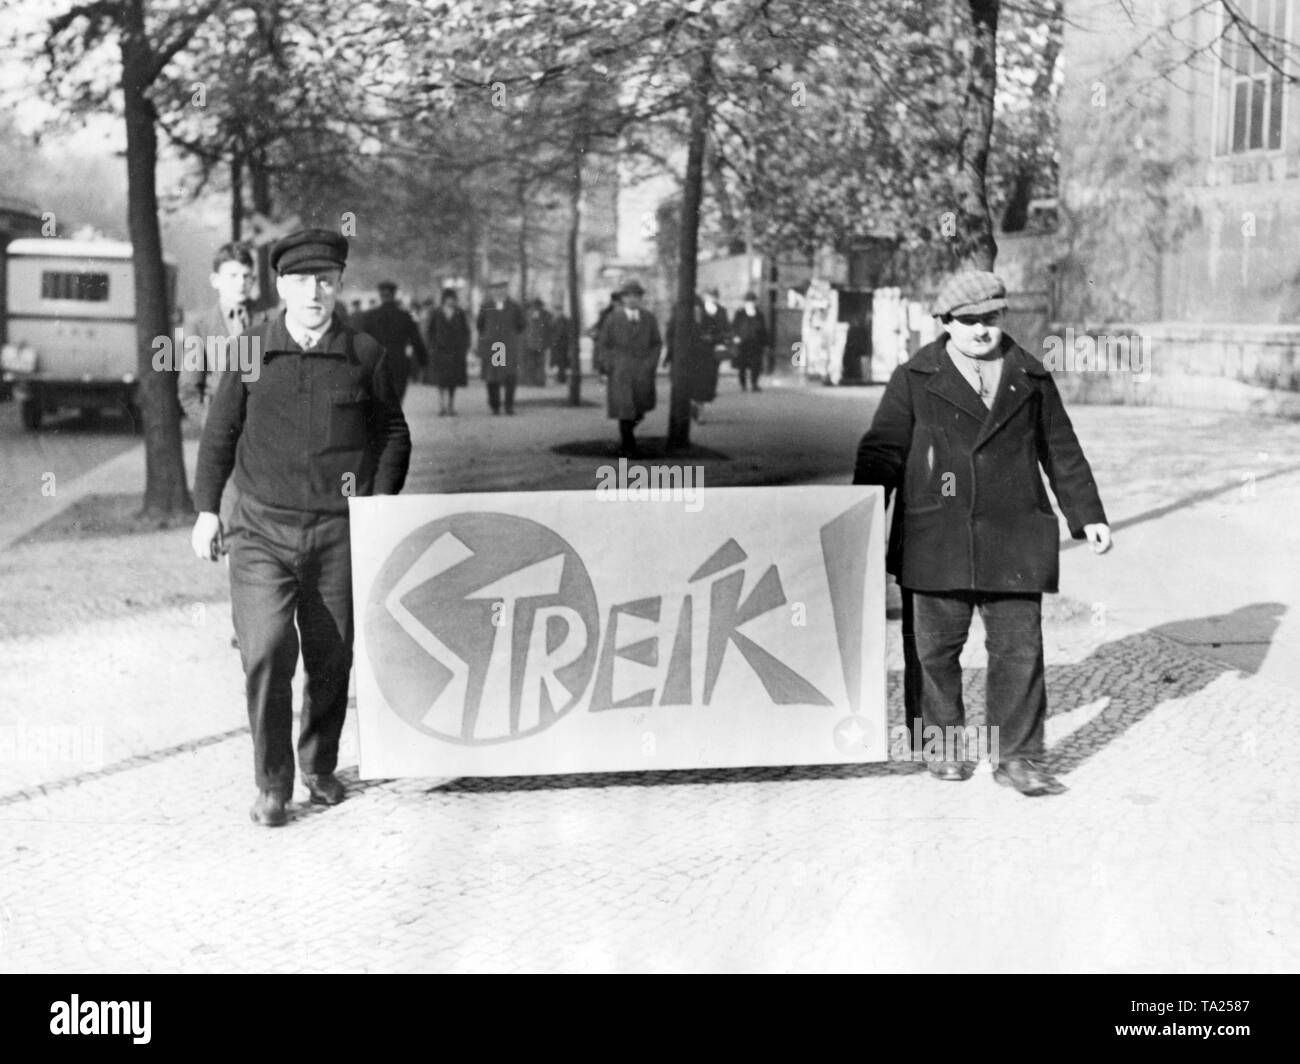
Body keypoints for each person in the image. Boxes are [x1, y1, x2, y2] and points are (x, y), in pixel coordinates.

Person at [852, 269, 1111, 797]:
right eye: (967, 320)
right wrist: (860, 517)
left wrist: (1088, 515)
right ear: (945, 323)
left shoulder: (1031, 376)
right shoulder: (914, 377)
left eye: (990, 318)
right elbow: (882, 451)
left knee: (1019, 652)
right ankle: (943, 746)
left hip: (1014, 536)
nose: (980, 330)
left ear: (1002, 316)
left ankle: (1018, 757)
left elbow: (1060, 448)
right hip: (934, 535)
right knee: (933, 653)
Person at [190, 228, 411, 827]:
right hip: (260, 529)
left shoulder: (365, 354)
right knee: (265, 650)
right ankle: (272, 783)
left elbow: (393, 434)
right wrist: (207, 509)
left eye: (325, 281)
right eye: (301, 281)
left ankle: (318, 764)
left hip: (338, 533)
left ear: (338, 286)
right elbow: (220, 432)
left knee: (331, 656)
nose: (314, 292)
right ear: (281, 287)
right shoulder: (251, 350)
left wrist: (378, 506)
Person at [178, 242, 266, 429]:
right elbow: (189, 390)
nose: (241, 283)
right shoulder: (200, 327)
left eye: (246, 276)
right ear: (215, 280)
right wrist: (210, 426)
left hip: (260, 430)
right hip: (219, 430)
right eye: (233, 276)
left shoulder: (268, 322)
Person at [596, 279, 662, 457]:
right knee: (624, 409)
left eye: (636, 296)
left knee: (640, 410)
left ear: (640, 298)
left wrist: (651, 363)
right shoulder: (613, 318)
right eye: (628, 296)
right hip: (621, 370)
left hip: (642, 371)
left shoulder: (648, 318)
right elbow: (603, 344)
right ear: (622, 299)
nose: (632, 300)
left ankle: (627, 443)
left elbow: (656, 343)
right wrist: (609, 364)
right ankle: (628, 446)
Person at [665, 288, 728, 423]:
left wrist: (711, 338)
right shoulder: (677, 320)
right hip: (684, 358)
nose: (695, 311)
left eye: (698, 308)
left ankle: (699, 412)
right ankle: (691, 408)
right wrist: (673, 352)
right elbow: (670, 337)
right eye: (693, 308)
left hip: (703, 359)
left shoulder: (707, 319)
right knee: (685, 387)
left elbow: (718, 334)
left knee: (701, 388)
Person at [358, 281, 428, 402]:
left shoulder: (370, 316)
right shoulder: (404, 316)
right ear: (394, 295)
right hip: (398, 364)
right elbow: (416, 340)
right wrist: (423, 361)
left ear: (380, 296)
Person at [477, 278, 525, 414]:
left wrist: (510, 336)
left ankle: (509, 406)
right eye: (496, 289)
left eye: (502, 288)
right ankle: (495, 406)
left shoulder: (514, 306)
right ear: (492, 291)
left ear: (506, 290)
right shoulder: (486, 306)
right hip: (493, 347)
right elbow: (480, 325)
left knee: (510, 376)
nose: (499, 292)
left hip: (508, 347)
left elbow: (521, 325)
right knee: (492, 377)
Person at [425, 287, 471, 416]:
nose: (451, 301)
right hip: (440, 351)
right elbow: (430, 331)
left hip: (455, 351)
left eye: (453, 299)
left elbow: (465, 331)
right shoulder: (436, 313)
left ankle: (451, 404)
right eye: (448, 299)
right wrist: (431, 347)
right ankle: (441, 405)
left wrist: (464, 347)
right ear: (444, 299)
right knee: (440, 380)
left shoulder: (460, 313)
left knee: (453, 380)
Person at [732, 290, 769, 392]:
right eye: (748, 301)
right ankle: (743, 384)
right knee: (742, 365)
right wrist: (735, 337)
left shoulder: (759, 314)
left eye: (752, 301)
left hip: (756, 343)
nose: (750, 303)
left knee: (756, 365)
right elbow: (734, 326)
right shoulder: (740, 313)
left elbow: (763, 329)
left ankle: (754, 384)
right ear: (745, 302)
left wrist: (765, 343)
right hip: (743, 343)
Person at [521, 298, 552, 386]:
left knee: (532, 363)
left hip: (531, 343)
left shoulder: (529, 313)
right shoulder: (545, 314)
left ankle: (532, 381)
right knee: (540, 363)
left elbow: (529, 329)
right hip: (540, 343)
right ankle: (539, 381)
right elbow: (548, 329)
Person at [590, 292, 622, 376]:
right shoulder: (606, 312)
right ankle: (604, 372)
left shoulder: (623, 311)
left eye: (618, 302)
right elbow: (600, 325)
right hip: (608, 338)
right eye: (615, 302)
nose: (617, 304)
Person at [842, 311, 872, 383]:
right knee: (859, 364)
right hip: (858, 351)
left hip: (858, 351)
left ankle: (862, 378)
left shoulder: (859, 329)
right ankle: (861, 378)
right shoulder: (858, 329)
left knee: (860, 364)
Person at [550, 307, 572, 384]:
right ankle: (561, 378)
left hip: (560, 344)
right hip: (562, 344)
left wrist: (555, 339)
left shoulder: (560, 320)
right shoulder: (562, 320)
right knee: (561, 362)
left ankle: (561, 378)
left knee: (561, 362)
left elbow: (560, 332)